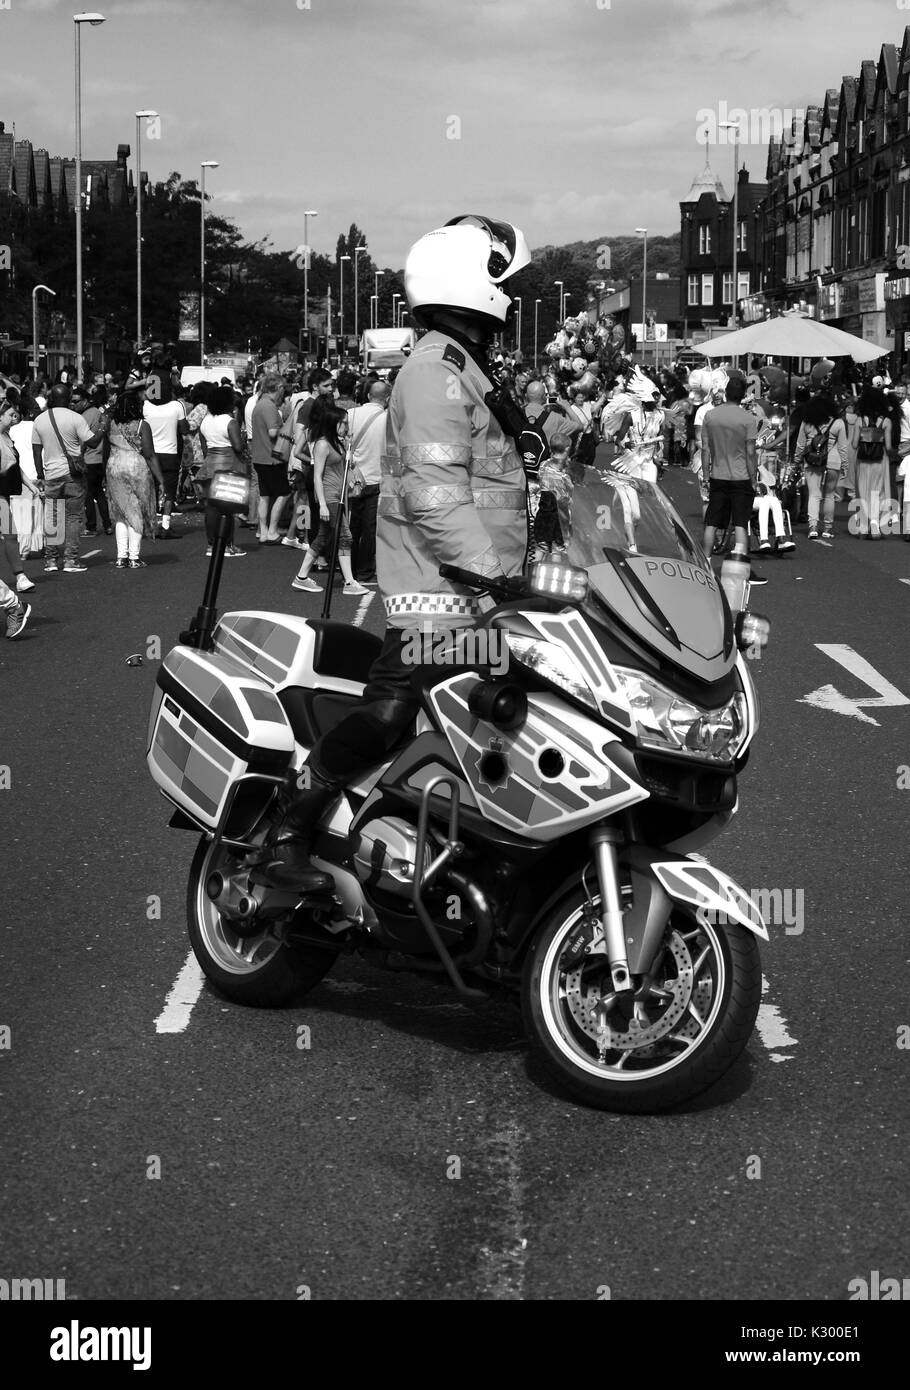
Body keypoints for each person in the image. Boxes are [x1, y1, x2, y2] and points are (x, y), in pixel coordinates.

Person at [259, 212, 531, 889]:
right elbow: (437, 492)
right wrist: (499, 576)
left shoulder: (465, 368)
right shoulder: (437, 371)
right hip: (441, 599)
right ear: (474, 282)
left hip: (480, 597)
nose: (515, 296)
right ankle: (286, 827)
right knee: (389, 714)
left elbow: (486, 478)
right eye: (505, 278)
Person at [290, 403, 367, 595]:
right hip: (330, 496)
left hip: (337, 495)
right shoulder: (323, 444)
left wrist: (348, 448)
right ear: (333, 423)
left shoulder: (337, 442)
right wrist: (322, 504)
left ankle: (301, 577)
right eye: (343, 423)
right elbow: (317, 475)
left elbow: (345, 465)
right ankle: (349, 582)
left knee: (323, 537)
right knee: (345, 537)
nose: (346, 426)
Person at [31, 383, 105, 574]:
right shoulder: (76, 418)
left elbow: (36, 451)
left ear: (51, 398)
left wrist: (40, 475)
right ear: (68, 398)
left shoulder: (39, 420)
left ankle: (51, 560)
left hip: (52, 474)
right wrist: (104, 426)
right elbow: (93, 441)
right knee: (73, 517)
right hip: (73, 475)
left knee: (53, 518)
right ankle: (71, 560)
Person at [701, 376, 767, 583]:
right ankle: (742, 569)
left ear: (726, 393)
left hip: (717, 475)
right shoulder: (748, 419)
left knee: (711, 522)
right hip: (741, 477)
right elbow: (749, 452)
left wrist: (705, 475)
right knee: (740, 522)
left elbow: (705, 448)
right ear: (743, 396)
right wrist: (754, 478)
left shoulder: (711, 416)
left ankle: (705, 565)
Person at [106, 388, 162, 568]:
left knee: (121, 514)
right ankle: (134, 557)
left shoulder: (111, 423)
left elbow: (105, 450)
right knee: (136, 511)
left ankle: (121, 557)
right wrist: (161, 479)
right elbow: (149, 454)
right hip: (137, 470)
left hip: (114, 468)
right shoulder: (141, 425)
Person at [346, 380, 390, 583]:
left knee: (352, 526)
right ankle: (365, 570)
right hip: (376, 479)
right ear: (387, 398)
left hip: (353, 478)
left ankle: (349, 568)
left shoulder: (351, 414)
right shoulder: (388, 418)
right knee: (370, 529)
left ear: (368, 396)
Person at [199, 385, 247, 557]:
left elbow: (204, 447)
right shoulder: (230, 422)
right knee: (228, 508)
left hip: (209, 465)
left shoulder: (205, 421)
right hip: (228, 466)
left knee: (211, 508)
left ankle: (212, 545)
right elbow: (238, 446)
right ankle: (228, 545)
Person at [793, 395, 849, 540]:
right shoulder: (838, 423)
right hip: (833, 460)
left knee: (814, 494)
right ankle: (828, 528)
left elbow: (800, 444)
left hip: (812, 461)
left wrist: (797, 459)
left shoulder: (807, 422)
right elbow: (843, 447)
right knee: (829, 495)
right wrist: (845, 465)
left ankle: (812, 527)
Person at [142, 370, 188, 534]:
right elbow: (184, 429)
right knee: (169, 491)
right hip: (170, 453)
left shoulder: (145, 406)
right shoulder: (177, 406)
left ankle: (150, 523)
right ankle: (166, 525)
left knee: (150, 489)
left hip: (149, 453)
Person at [0, 399, 38, 592]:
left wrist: (30, 484)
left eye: (15, 415)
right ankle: (20, 577)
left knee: (10, 535)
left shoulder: (6, 436)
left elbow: (15, 464)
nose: (14, 418)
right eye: (10, 415)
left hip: (3, 494)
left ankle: (20, 577)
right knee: (10, 534)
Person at [250, 373, 290, 543]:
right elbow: (273, 432)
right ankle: (272, 530)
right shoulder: (269, 406)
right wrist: (287, 429)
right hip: (272, 457)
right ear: (279, 388)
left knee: (265, 495)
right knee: (284, 493)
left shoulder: (259, 404)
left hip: (260, 456)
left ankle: (264, 530)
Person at [849, 386, 892, 540]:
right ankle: (875, 522)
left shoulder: (860, 420)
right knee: (877, 492)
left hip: (863, 460)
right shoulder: (886, 421)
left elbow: (854, 444)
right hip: (880, 460)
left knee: (862, 490)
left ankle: (863, 526)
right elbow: (888, 446)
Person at [72, 384, 112, 537]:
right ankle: (108, 525)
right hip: (100, 459)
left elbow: (82, 441)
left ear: (85, 400)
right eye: (72, 401)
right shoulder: (97, 412)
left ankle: (91, 527)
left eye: (76, 401)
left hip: (89, 460)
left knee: (88, 495)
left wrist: (78, 460)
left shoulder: (85, 416)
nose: (73, 404)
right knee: (99, 494)